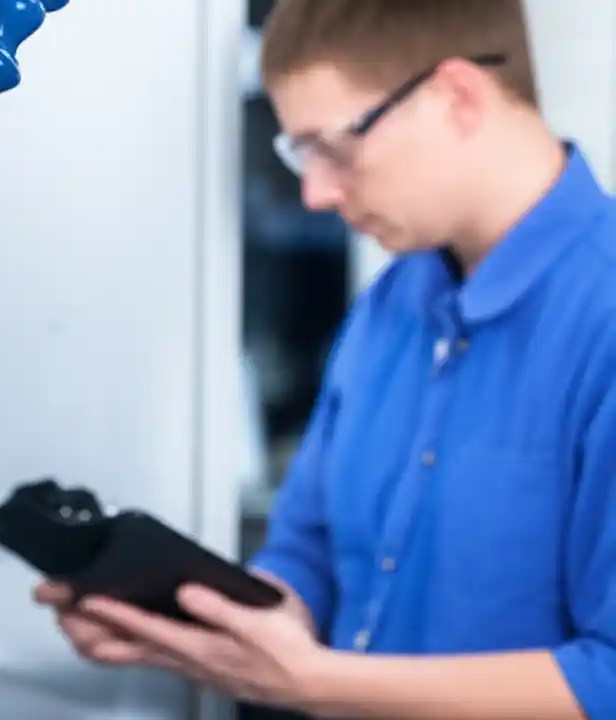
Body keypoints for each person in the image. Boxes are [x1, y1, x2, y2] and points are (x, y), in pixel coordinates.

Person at [35, 1, 616, 717]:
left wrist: (315, 682)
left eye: (333, 147)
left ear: (457, 96)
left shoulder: (602, 315)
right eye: (300, 155)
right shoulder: (393, 303)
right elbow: (307, 553)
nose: (316, 193)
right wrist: (202, 627)